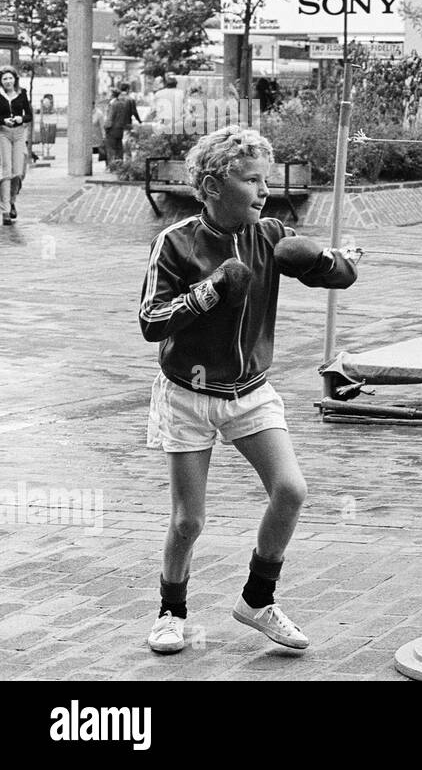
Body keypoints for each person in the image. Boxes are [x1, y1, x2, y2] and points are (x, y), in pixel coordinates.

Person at [138, 126, 360, 655]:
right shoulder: (175, 243)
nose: (264, 191)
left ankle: (258, 599)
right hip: (187, 395)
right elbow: (150, 321)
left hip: (252, 392)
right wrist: (205, 294)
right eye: (251, 180)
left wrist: (327, 261)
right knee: (188, 520)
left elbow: (342, 278)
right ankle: (172, 611)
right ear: (214, 186)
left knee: (291, 490)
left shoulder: (270, 235)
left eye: (267, 179)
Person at [0, 66, 32, 225]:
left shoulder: (22, 93)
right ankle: (5, 210)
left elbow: (30, 115)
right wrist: (3, 121)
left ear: (15, 79)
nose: (7, 81)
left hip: (19, 134)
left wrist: (21, 119)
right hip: (3, 133)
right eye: (4, 79)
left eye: (10, 78)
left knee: (18, 172)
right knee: (6, 172)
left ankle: (12, 200)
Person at [104, 83, 133, 167]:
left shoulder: (113, 104)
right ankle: (120, 165)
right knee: (119, 148)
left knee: (111, 149)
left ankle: (112, 166)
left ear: (113, 95)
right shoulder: (122, 104)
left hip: (112, 129)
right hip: (120, 129)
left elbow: (110, 118)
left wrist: (106, 127)